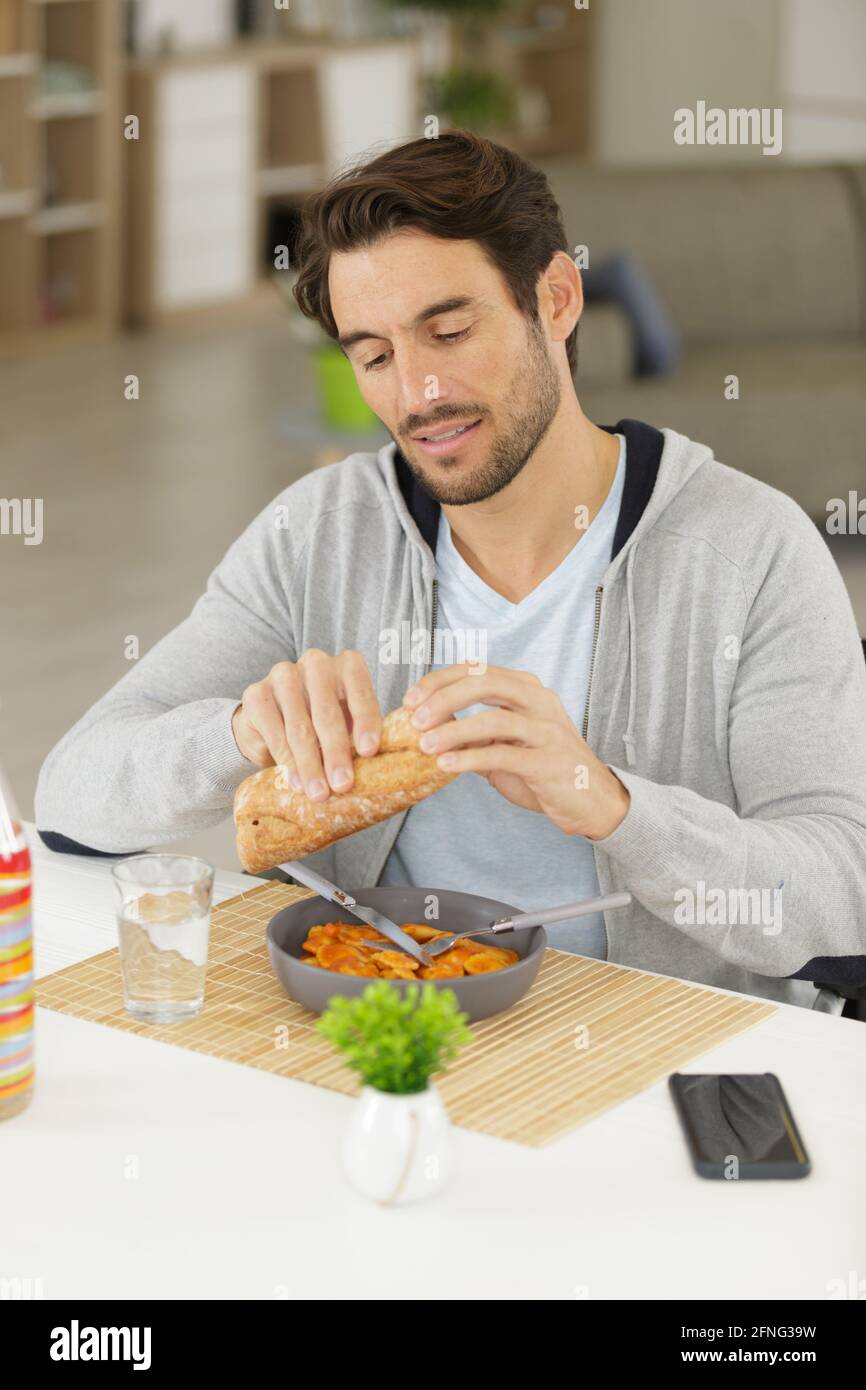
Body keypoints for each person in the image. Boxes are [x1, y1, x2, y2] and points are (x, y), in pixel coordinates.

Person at [36, 131, 866, 1011]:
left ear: (555, 298)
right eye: (376, 356)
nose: (418, 393)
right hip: (371, 1033)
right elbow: (71, 796)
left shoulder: (752, 551)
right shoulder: (316, 533)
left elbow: (843, 897)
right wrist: (238, 733)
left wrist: (615, 805)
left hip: (650, 1050)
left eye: (450, 331)